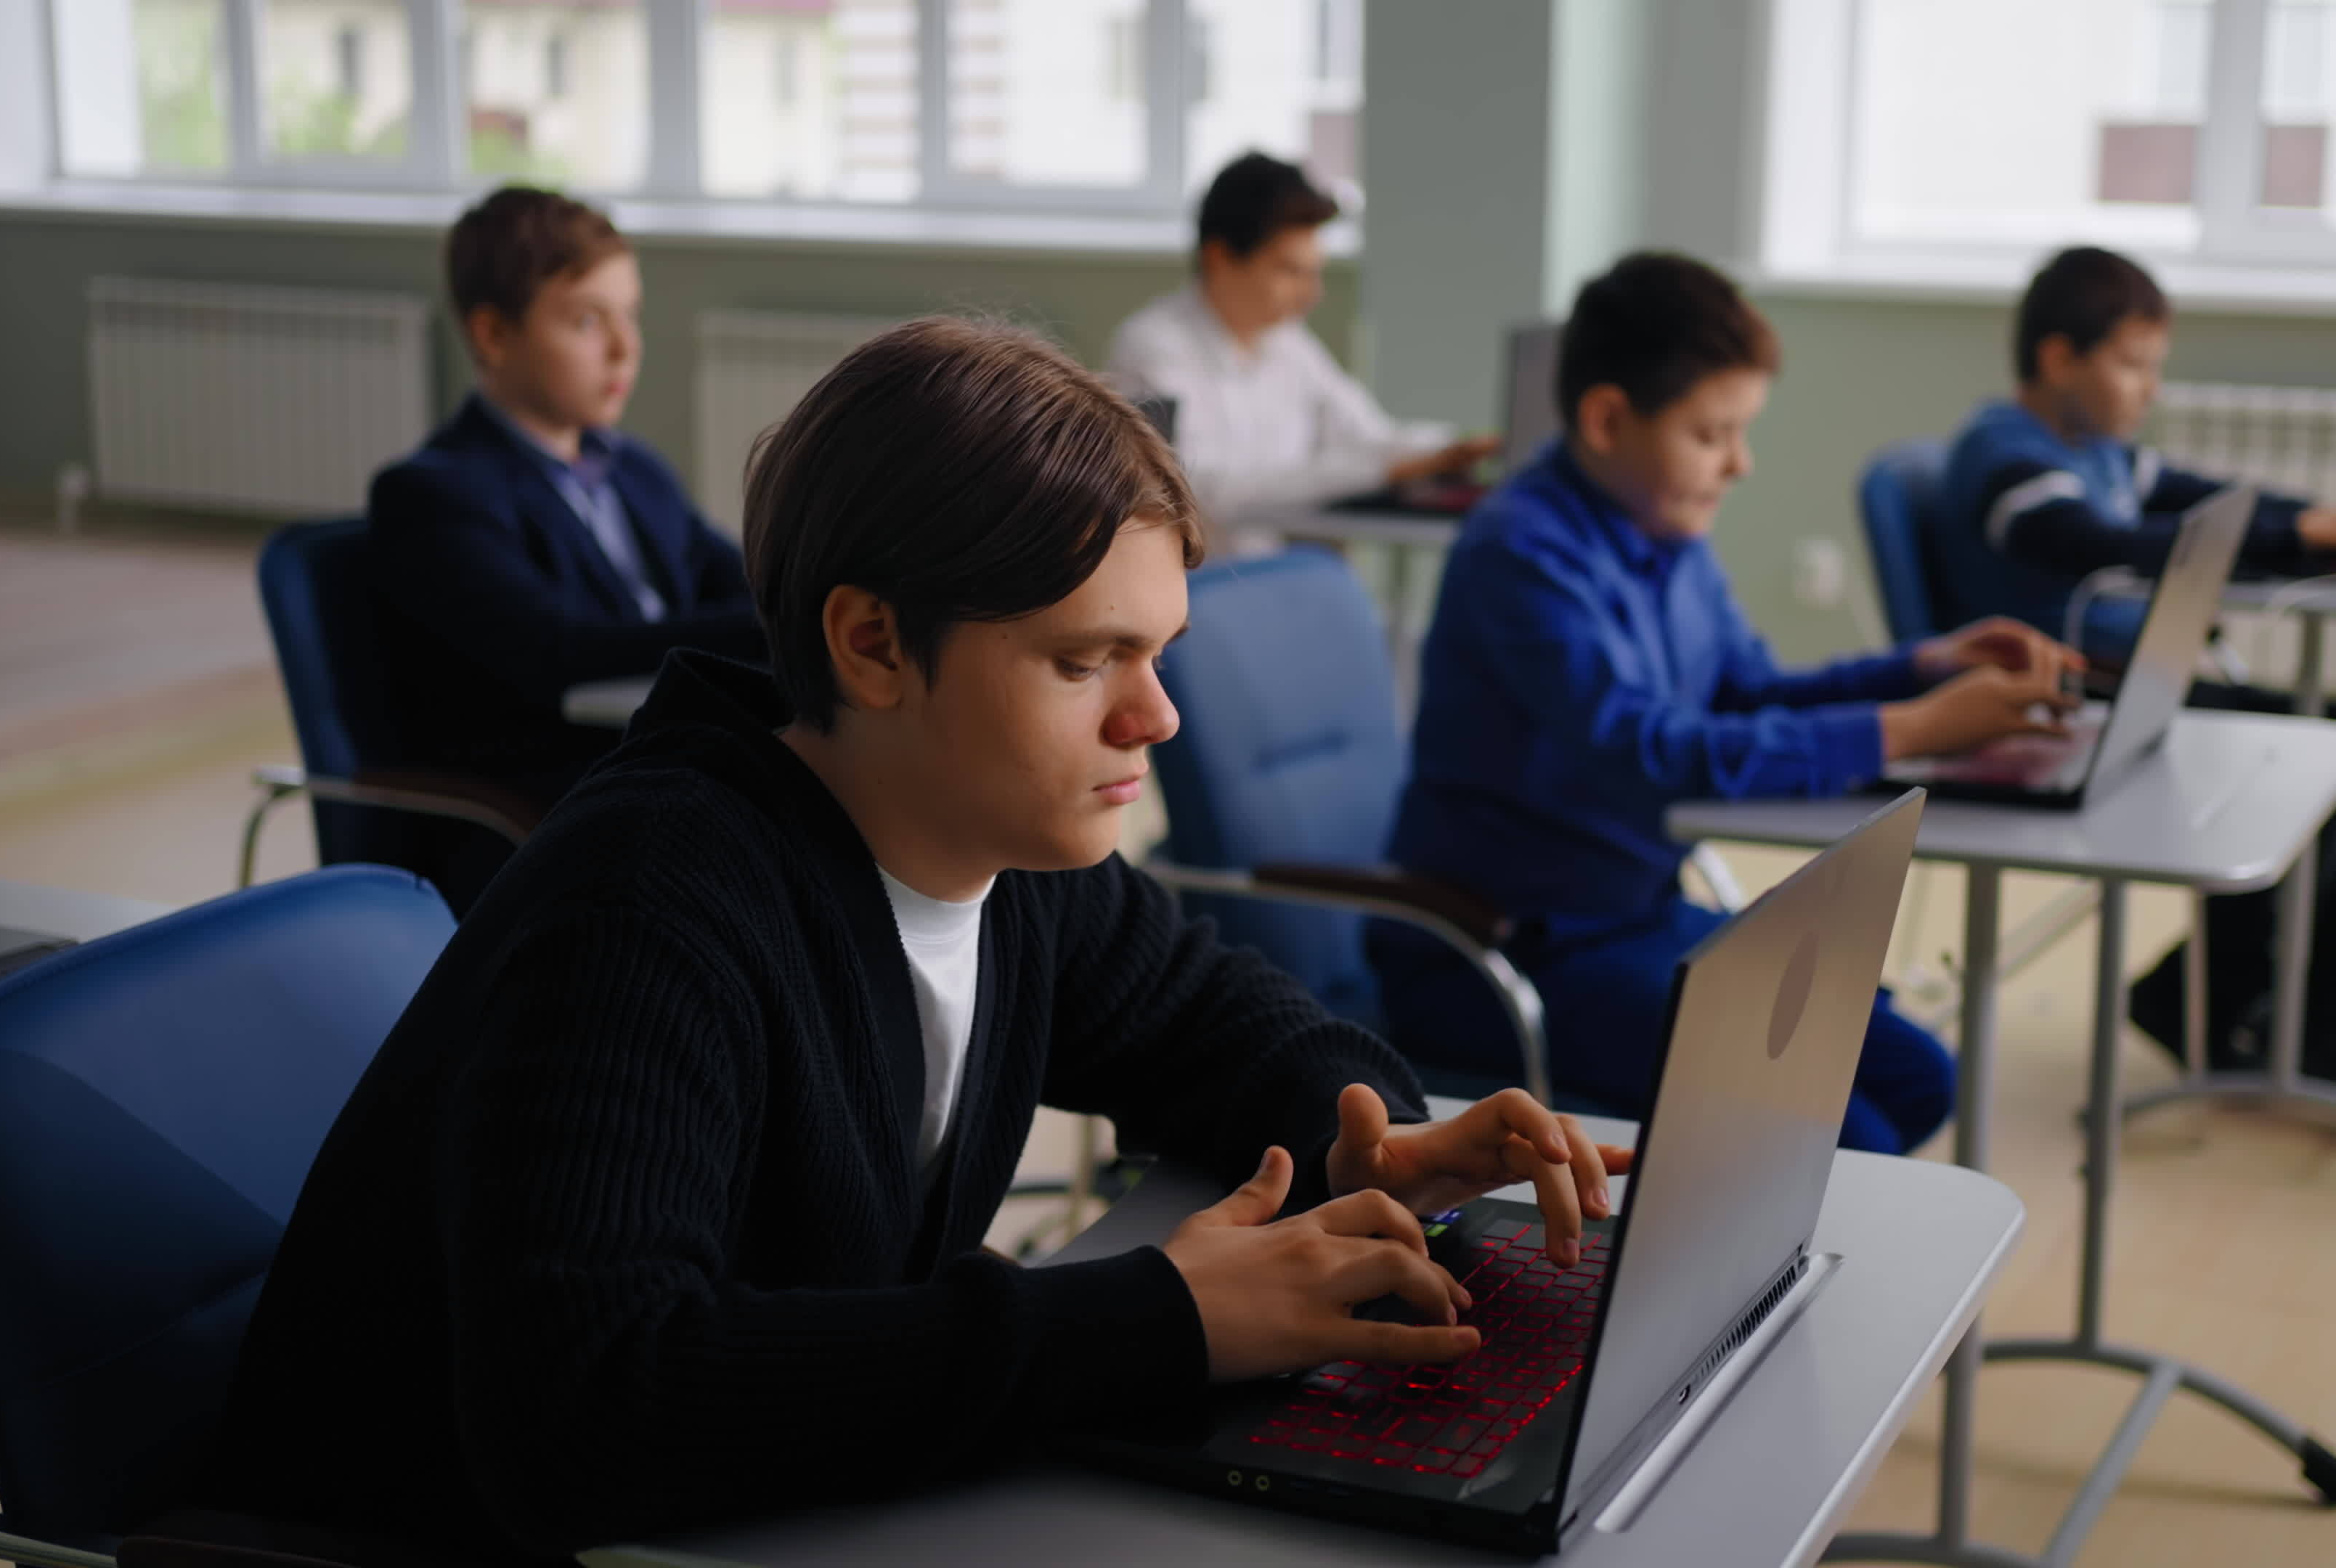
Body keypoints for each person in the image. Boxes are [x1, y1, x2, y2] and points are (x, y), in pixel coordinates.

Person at [208, 319, 1624, 1565]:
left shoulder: (998, 842)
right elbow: (588, 1412)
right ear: (873, 645)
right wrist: (1153, 1323)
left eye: (1157, 653)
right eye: (1084, 661)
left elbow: (1201, 1016)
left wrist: (1360, 1133)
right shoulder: (647, 908)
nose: (1155, 718)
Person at [1370, 252, 2083, 1153]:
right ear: (1606, 419)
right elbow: (1655, 755)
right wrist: (1916, 729)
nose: (1740, 464)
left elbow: (1751, 693)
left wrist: (1923, 668)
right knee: (1852, 1133)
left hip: (1638, 914)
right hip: (1515, 951)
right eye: (1713, 435)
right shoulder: (1518, 555)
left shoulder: (1665, 532)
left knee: (1918, 1076)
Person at [1929, 245, 2336, 1080]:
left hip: (2138, 682)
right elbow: (2096, 543)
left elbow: (2206, 500)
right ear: (2058, 359)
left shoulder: (2098, 449)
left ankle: (2318, 1006)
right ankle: (2279, 1012)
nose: (2149, 389)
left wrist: (2314, 518)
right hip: (2077, 697)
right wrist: (2287, 537)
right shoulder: (2004, 456)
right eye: (2132, 366)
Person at [367, 186, 762, 912]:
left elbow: (742, 581)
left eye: (630, 316)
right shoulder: (433, 495)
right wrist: (768, 626)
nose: (625, 348)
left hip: (665, 763)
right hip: (554, 814)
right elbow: (560, 650)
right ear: (493, 335)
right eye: (587, 321)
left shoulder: (636, 470)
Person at [1108, 152, 1497, 546]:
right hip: (1198, 575)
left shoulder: (1288, 343)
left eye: (1314, 272)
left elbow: (1368, 435)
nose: (1311, 295)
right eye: (1290, 271)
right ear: (1219, 257)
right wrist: (1381, 469)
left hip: (1271, 566)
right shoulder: (1152, 347)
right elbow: (1205, 491)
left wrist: (1457, 449)